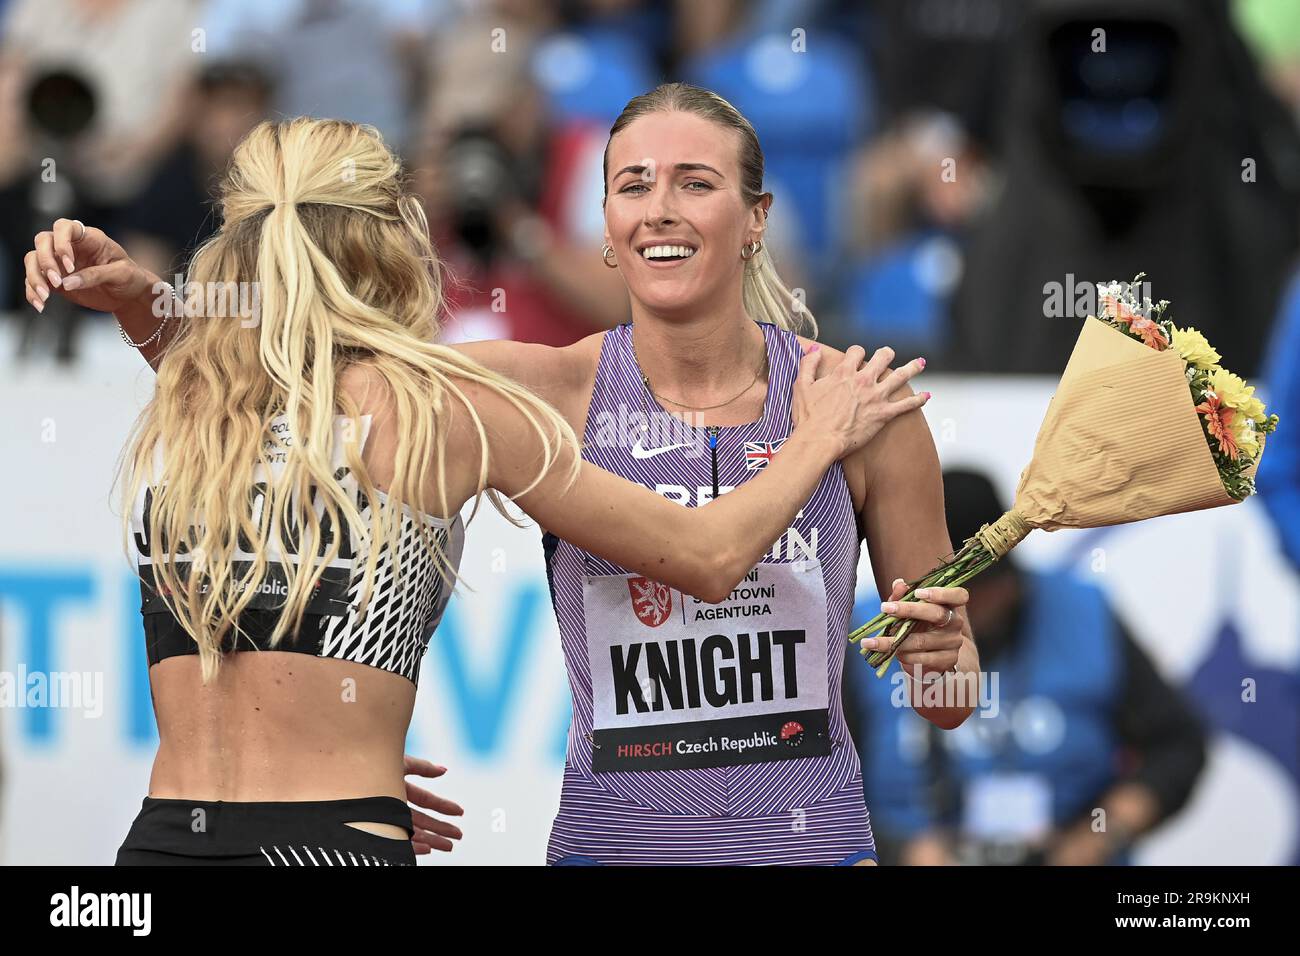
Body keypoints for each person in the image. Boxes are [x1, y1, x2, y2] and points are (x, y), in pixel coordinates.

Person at [30, 83, 972, 866]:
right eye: (634, 185)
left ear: (756, 218)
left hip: (813, 847)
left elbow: (948, 700)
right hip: (610, 847)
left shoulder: (865, 414)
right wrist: (149, 307)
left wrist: (948, 661)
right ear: (605, 223)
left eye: (697, 183)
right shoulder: (533, 387)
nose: (663, 209)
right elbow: (307, 396)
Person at [845, 469, 1208, 866]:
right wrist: (902, 851)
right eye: (953, 598)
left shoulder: (1083, 613)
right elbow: (820, 783)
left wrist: (1101, 835)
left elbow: (1178, 746)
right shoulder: (869, 635)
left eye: (983, 587)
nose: (967, 613)